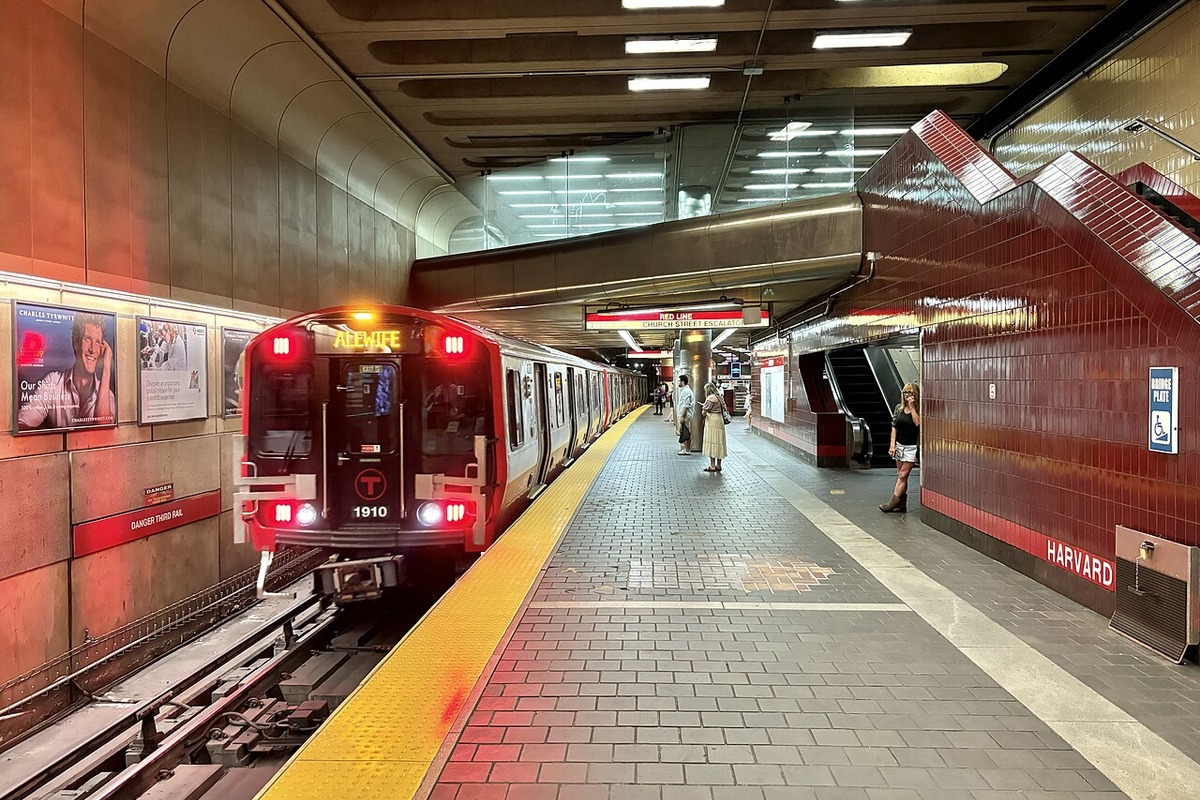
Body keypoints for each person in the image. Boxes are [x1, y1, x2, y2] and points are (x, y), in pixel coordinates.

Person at [18, 313, 115, 431]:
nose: (93, 349)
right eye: (87, 339)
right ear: (76, 343)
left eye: (98, 342)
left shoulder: (106, 395)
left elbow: (104, 430)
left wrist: (106, 368)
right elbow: (22, 423)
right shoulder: (53, 382)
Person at [880, 382, 921, 513]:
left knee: (903, 475)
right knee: (901, 475)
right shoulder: (899, 408)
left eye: (910, 393)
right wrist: (892, 445)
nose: (907, 395)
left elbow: (918, 424)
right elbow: (894, 427)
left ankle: (892, 502)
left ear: (915, 395)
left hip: (912, 447)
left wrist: (912, 407)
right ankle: (901, 504)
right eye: (905, 392)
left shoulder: (919, 409)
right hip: (900, 445)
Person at [700, 382, 728, 472]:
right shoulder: (720, 397)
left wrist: (703, 409)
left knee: (712, 441)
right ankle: (719, 465)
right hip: (720, 420)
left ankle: (712, 466)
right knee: (719, 441)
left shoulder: (710, 398)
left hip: (712, 420)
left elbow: (704, 412)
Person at [675, 374, 695, 455]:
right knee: (686, 431)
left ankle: (685, 449)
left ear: (683, 382)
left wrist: (682, 416)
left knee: (684, 432)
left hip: (685, 415)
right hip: (686, 415)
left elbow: (686, 405)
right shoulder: (687, 390)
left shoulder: (686, 391)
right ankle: (687, 449)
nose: (678, 382)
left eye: (679, 381)